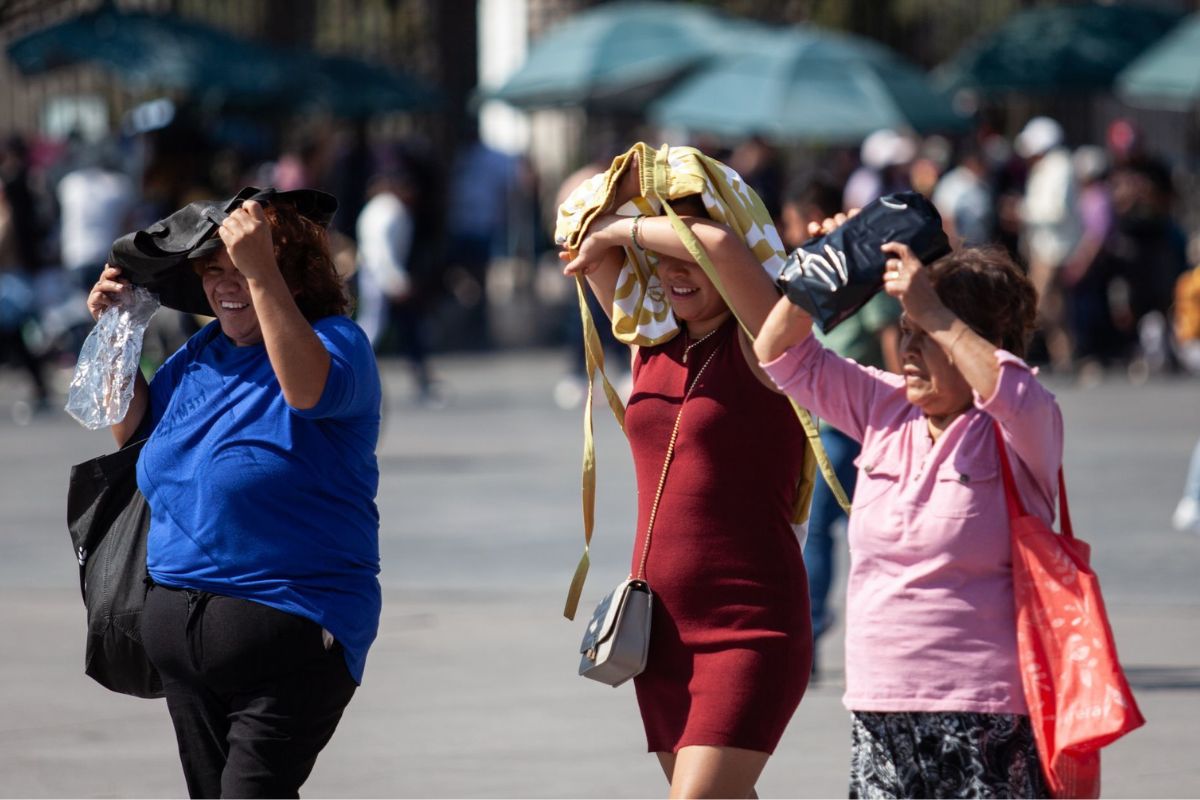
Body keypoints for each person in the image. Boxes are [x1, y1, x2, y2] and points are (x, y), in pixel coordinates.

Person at [86, 193, 382, 799]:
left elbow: (305, 392)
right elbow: (133, 431)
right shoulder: (203, 353)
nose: (227, 285)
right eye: (213, 270)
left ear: (291, 274)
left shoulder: (339, 343)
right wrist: (115, 326)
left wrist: (260, 269)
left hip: (295, 625)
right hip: (182, 635)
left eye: (241, 268)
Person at [754, 216, 1055, 798]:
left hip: (986, 714)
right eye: (907, 330)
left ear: (982, 342)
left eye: (930, 335)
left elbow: (1009, 388)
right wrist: (839, 259)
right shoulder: (885, 408)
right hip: (880, 709)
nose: (911, 349)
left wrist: (933, 307)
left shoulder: (1020, 426)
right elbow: (780, 353)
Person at [561, 152, 811, 798]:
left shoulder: (764, 344)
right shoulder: (650, 341)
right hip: (661, 637)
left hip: (749, 627)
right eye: (662, 260)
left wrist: (621, 231)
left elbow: (721, 243)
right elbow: (573, 219)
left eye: (684, 255)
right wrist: (621, 210)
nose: (673, 273)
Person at [779, 179, 901, 676]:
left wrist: (903, 407)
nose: (788, 233)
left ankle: (815, 632)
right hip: (826, 421)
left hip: (855, 426)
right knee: (831, 536)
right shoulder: (808, 277)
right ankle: (811, 634)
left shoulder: (859, 279)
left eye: (790, 222)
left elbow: (892, 341)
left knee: (840, 534)